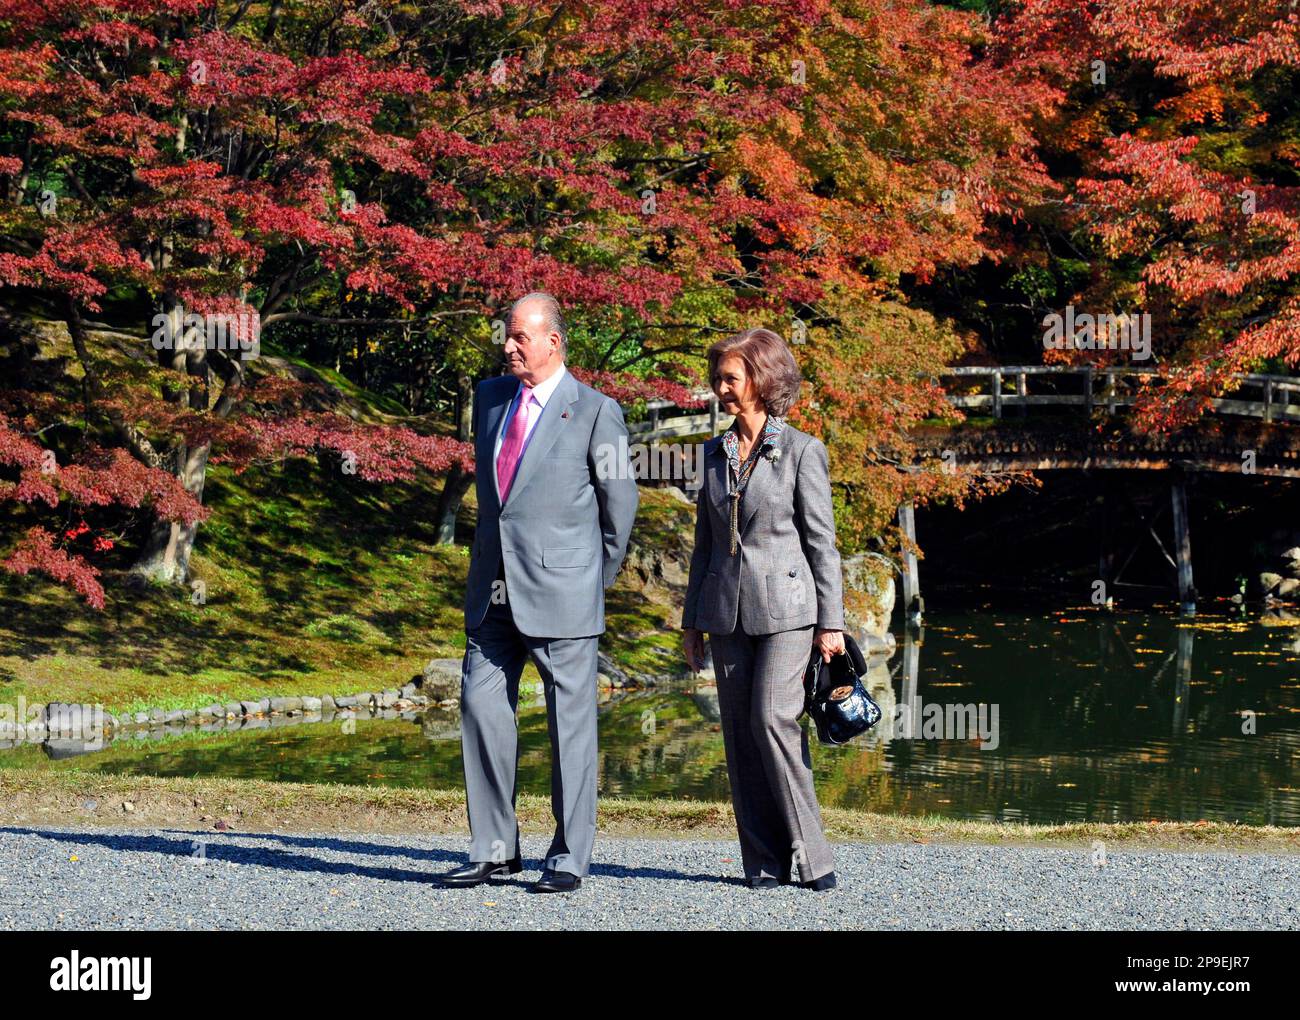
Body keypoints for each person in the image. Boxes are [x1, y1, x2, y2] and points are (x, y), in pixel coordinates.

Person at [438, 292, 639, 893]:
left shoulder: (599, 411)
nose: (508, 346)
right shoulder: (491, 398)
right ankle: (496, 850)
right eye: (507, 335)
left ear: (554, 341)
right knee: (480, 707)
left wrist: (590, 581)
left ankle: (569, 859)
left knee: (569, 729)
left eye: (520, 336)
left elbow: (620, 506)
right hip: (492, 591)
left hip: (565, 594)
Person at [680, 327, 846, 890]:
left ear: (763, 379)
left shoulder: (802, 450)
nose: (721, 388)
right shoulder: (710, 455)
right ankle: (765, 862)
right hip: (724, 613)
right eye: (718, 378)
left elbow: (822, 543)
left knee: (772, 719)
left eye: (731, 378)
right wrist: (692, 622)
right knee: (738, 732)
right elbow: (703, 545)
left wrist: (833, 623)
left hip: (790, 613)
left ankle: (813, 856)